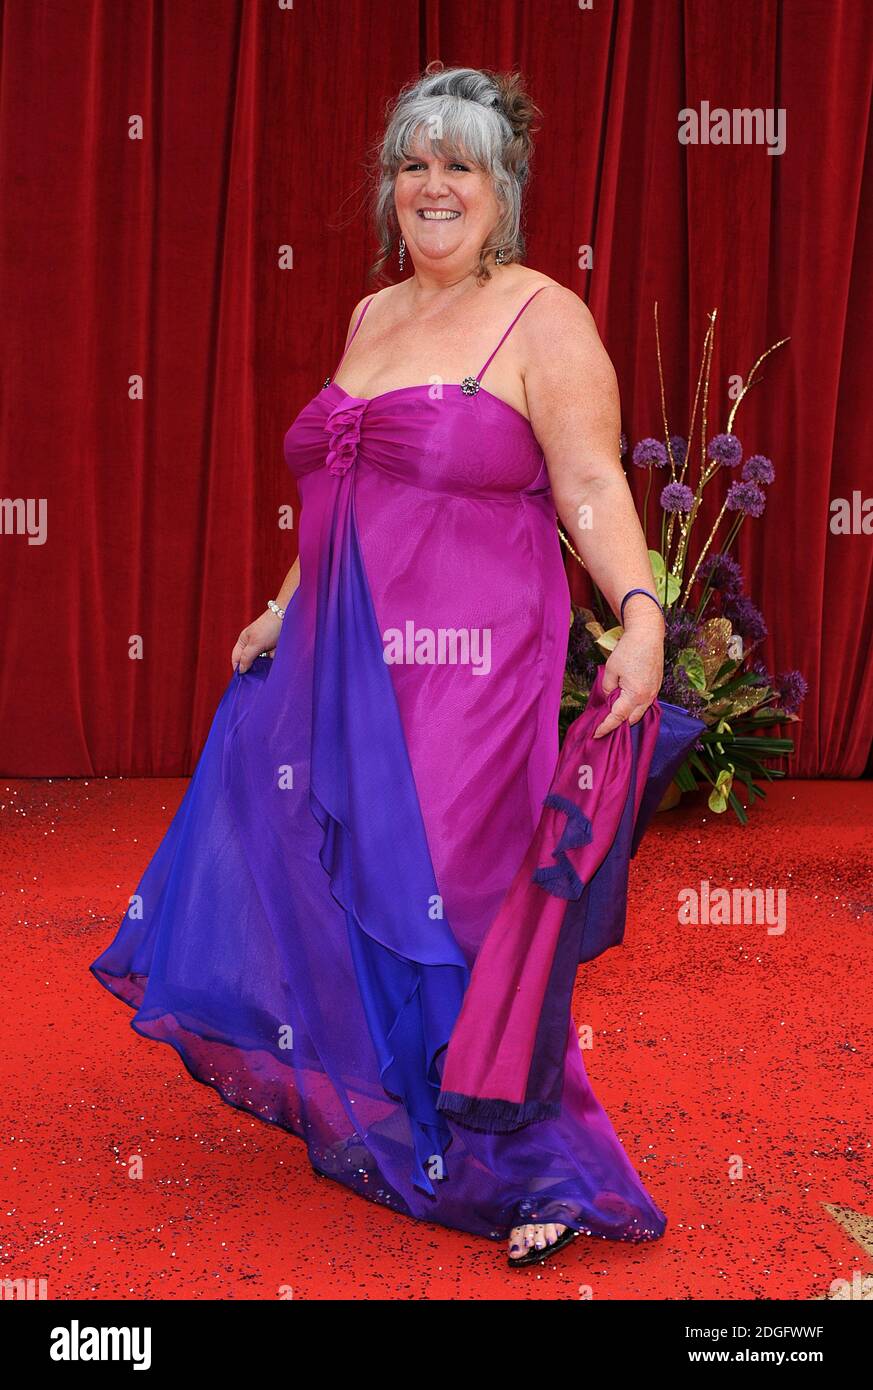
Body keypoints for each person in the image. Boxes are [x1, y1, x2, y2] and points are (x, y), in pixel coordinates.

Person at [91, 63, 674, 1269]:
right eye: (413, 164)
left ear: (501, 190)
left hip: (474, 658)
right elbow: (345, 493)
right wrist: (278, 604)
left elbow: (589, 483)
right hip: (344, 653)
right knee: (325, 855)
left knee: (461, 884)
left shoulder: (543, 316)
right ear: (390, 190)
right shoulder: (372, 315)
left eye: (459, 163)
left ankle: (536, 1160)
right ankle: (419, 1107)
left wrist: (640, 609)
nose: (432, 185)